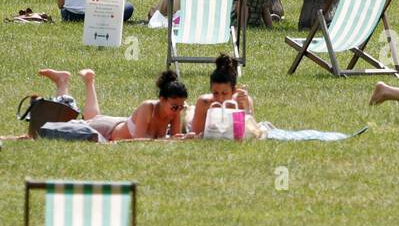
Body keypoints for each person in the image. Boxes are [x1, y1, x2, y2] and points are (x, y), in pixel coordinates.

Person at [38, 68, 188, 141]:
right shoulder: (147, 107)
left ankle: (87, 81)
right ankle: (62, 82)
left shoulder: (174, 113)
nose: (178, 111)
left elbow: (174, 139)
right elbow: (139, 142)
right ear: (162, 99)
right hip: (109, 129)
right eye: (175, 107)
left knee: (92, 117)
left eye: (182, 107)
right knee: (61, 126)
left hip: (117, 126)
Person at [188, 53, 254, 135]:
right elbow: (195, 134)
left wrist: (246, 108)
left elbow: (251, 132)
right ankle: (190, 109)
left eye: (224, 93)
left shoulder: (242, 101)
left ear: (234, 90)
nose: (220, 98)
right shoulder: (205, 103)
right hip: (189, 120)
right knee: (188, 114)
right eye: (215, 93)